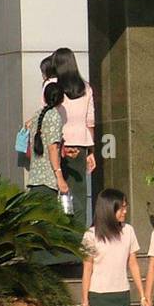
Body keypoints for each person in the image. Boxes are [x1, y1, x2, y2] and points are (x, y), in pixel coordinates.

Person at [53, 48, 95, 229]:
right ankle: (78, 235)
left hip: (58, 145)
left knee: (60, 191)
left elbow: (48, 117)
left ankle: (62, 234)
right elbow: (90, 121)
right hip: (81, 144)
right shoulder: (86, 87)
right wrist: (90, 151)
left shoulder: (53, 86)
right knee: (79, 193)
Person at [23, 82, 66, 195]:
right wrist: (60, 177)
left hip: (34, 180)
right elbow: (52, 148)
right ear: (62, 99)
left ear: (44, 97)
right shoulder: (55, 117)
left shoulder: (37, 116)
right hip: (48, 181)